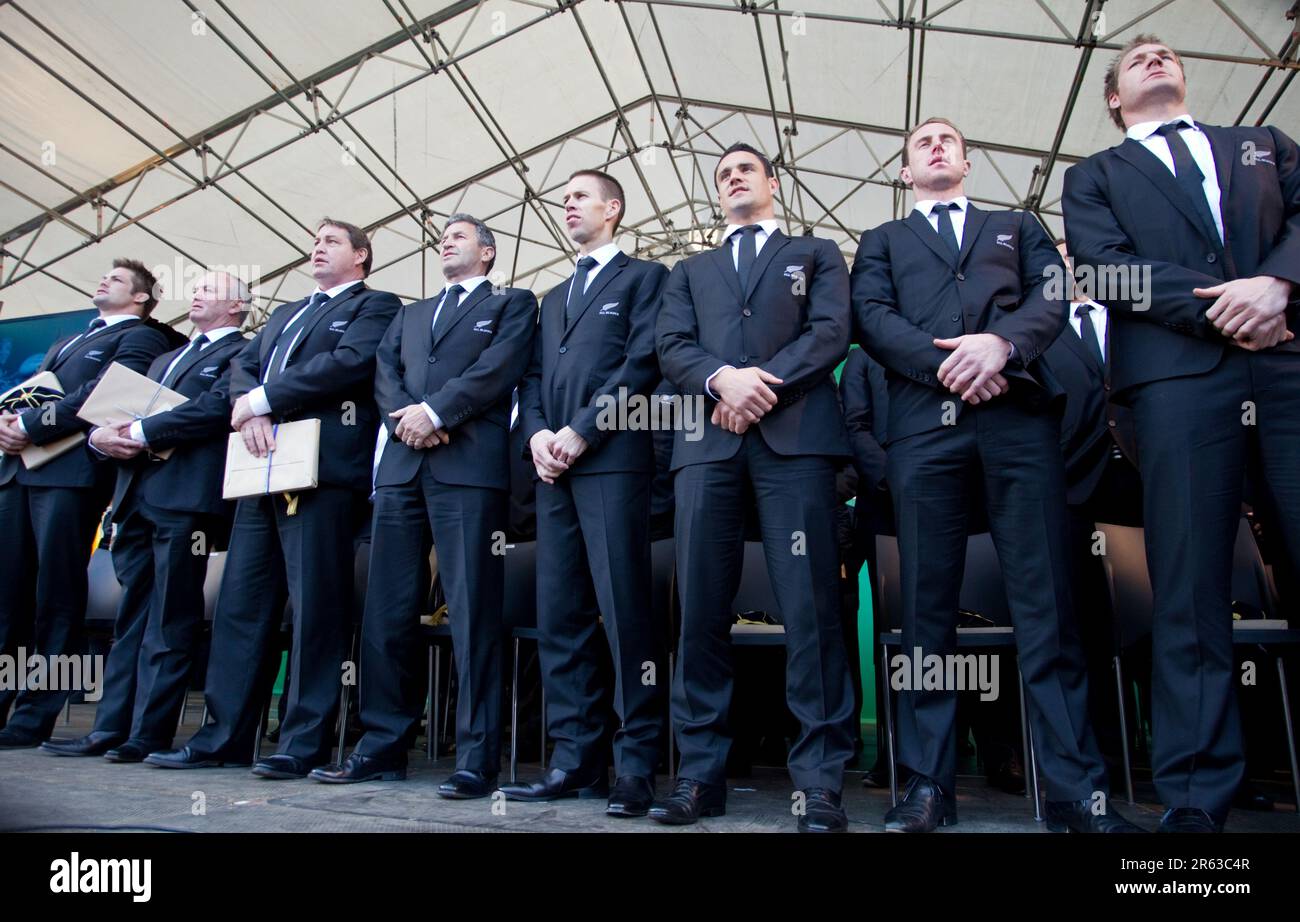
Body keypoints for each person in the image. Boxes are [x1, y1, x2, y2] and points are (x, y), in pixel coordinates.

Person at [852, 117, 1137, 833]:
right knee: (926, 613)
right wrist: (950, 363)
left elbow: (1053, 296)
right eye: (923, 143)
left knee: (1048, 607)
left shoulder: (1018, 224)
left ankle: (1075, 793)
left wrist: (1001, 347)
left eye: (948, 140)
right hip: (923, 426)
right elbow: (872, 317)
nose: (937, 147)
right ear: (905, 172)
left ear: (969, 161)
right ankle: (927, 786)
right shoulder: (881, 242)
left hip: (1019, 422)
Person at [1063, 34, 1300, 832]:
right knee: (1190, 587)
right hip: (1176, 387)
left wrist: (1279, 285)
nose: (1157, 56)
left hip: (1286, 366)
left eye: (1167, 50)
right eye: (1137, 58)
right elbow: (1102, 268)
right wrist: (1228, 303)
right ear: (1114, 98)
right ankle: (1198, 797)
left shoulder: (1261, 145)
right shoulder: (1093, 175)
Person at [146, 219, 401, 777]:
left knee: (315, 609)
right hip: (260, 471)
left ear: (360, 256)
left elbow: (350, 363)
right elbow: (242, 364)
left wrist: (264, 398)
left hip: (321, 472)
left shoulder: (376, 305)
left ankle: (303, 739)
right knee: (242, 605)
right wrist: (245, 406)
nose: (317, 247)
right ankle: (224, 736)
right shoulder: (286, 313)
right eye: (315, 240)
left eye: (332, 241)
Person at [653, 142, 857, 833]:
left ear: (772, 182)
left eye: (745, 169)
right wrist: (720, 380)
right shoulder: (690, 270)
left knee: (811, 611)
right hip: (707, 450)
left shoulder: (816, 253)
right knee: (702, 612)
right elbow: (672, 345)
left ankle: (820, 780)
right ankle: (699, 775)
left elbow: (832, 331)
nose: (734, 178)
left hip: (795, 441)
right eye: (722, 175)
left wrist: (757, 384)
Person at [309, 214, 537, 797]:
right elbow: (384, 373)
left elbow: (499, 368)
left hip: (468, 468)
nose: (447, 241)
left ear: (487, 253)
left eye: (461, 236)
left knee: (471, 608)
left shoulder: (514, 305)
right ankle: (382, 745)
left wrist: (435, 413)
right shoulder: (409, 314)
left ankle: (477, 754)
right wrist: (407, 417)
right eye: (444, 236)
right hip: (402, 469)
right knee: (386, 608)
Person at [501, 170, 669, 815]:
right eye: (562, 198)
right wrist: (541, 435)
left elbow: (642, 363)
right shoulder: (553, 295)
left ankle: (635, 764)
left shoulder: (645, 279)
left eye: (579, 196)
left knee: (624, 615)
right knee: (561, 614)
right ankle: (575, 759)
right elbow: (534, 377)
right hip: (553, 472)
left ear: (613, 208)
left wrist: (582, 431)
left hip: (613, 464)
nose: (566, 204)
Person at [41, 271, 251, 762]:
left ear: (238, 306)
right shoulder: (163, 357)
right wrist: (99, 439)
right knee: (131, 621)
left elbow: (216, 409)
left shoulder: (242, 352)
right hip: (134, 498)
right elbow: (106, 416)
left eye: (210, 289)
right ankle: (108, 728)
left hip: (187, 501)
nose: (196, 293)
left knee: (169, 617)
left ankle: (148, 732)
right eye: (195, 287)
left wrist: (141, 430)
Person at [0, 259, 177, 747]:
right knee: (8, 595)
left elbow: (105, 395)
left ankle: (32, 716)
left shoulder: (140, 337)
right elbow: (31, 393)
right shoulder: (69, 340)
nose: (104, 280)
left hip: (70, 478)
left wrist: (31, 427)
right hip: (18, 473)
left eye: (117, 279)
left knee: (53, 598)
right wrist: (8, 421)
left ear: (141, 298)